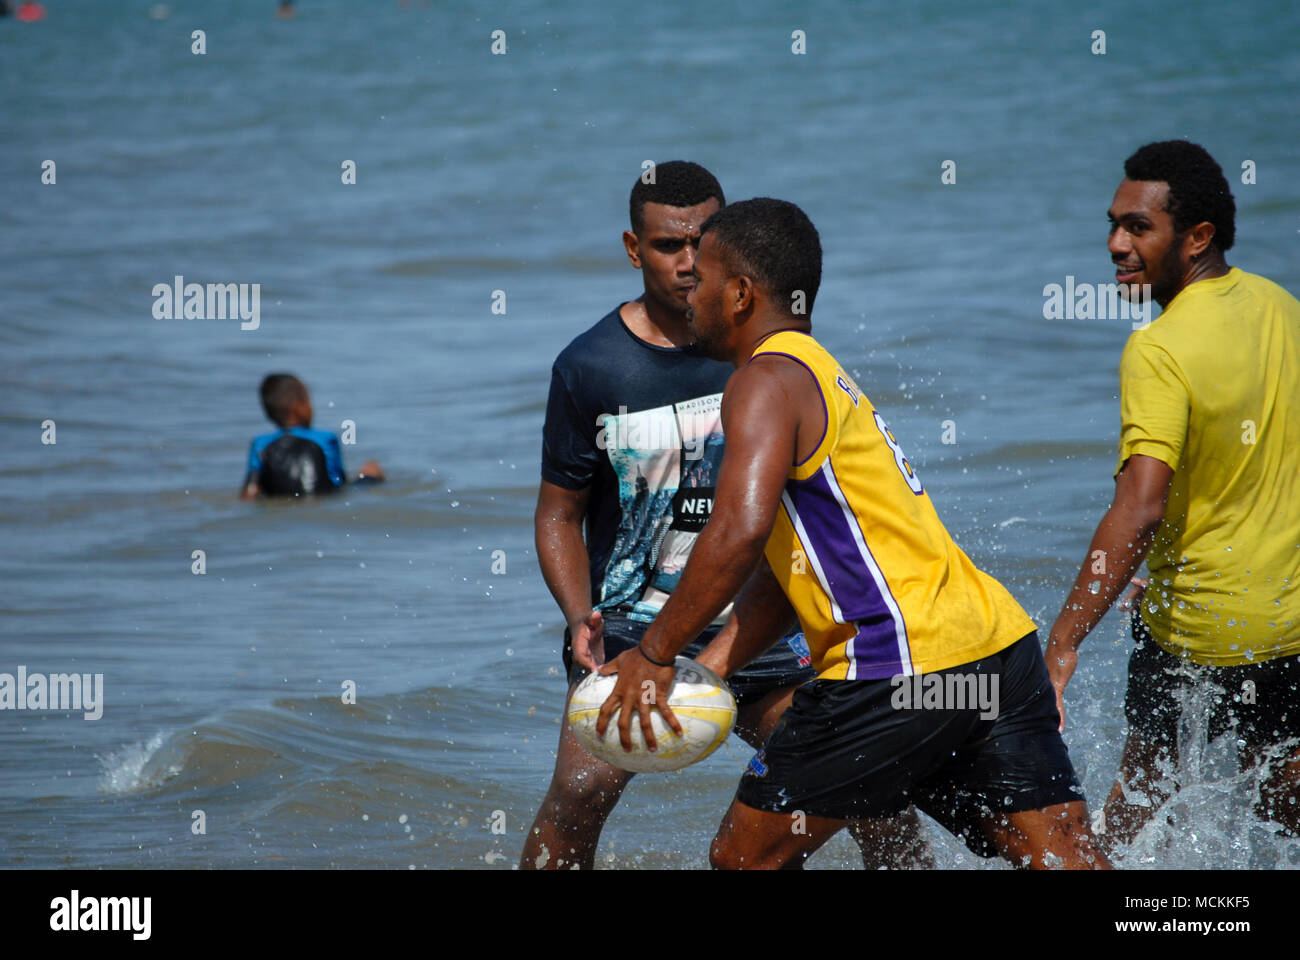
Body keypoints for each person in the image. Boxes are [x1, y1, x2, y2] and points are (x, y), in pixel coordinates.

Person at [595, 197, 1109, 870]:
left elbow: (738, 530)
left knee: (742, 861)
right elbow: (791, 571)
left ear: (743, 294)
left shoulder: (762, 381)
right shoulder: (821, 374)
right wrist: (713, 665)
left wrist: (655, 652)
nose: (689, 293)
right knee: (1059, 860)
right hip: (993, 653)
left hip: (892, 672)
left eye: (704, 280)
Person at [520, 164, 928, 870]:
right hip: (633, 629)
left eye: (699, 242)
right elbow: (559, 513)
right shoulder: (588, 368)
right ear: (631, 248)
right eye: (665, 245)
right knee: (579, 791)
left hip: (764, 626)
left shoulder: (763, 352)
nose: (685, 262)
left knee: (870, 798)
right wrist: (578, 613)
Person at [1045, 140, 1300, 846]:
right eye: (1114, 224)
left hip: (1200, 633)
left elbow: (1140, 507)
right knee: (1284, 814)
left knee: (1135, 816)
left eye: (1137, 227)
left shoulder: (1158, 349)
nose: (1115, 244)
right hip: (1291, 626)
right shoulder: (1283, 308)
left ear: (1197, 238)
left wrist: (1063, 643)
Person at [241, 373, 384, 499]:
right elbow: (339, 482)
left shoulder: (259, 445)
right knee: (371, 469)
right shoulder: (325, 438)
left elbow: (250, 492)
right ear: (299, 407)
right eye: (308, 401)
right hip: (325, 498)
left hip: (282, 500)